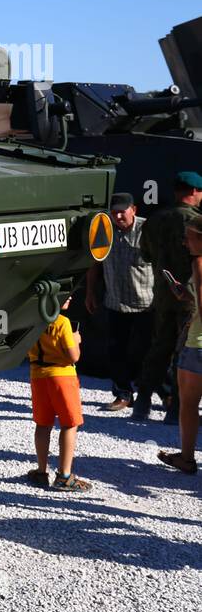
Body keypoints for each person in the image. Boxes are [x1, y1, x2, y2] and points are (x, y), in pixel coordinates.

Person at [137, 172, 202, 423]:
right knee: (185, 352)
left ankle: (142, 402)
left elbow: (146, 256)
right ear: (195, 192)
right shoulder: (197, 223)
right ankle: (176, 410)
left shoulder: (154, 220)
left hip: (163, 295)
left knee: (159, 347)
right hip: (192, 297)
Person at [84, 193, 155, 411]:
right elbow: (94, 262)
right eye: (114, 212)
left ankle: (162, 395)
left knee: (152, 351)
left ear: (134, 209)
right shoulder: (104, 230)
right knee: (116, 352)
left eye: (123, 210)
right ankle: (123, 394)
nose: (118, 215)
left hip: (147, 303)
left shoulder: (148, 230)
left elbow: (163, 262)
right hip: (116, 302)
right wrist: (90, 292)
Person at [26, 296, 91, 491]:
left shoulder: (30, 320)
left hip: (38, 376)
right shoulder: (62, 322)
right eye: (65, 293)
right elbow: (74, 356)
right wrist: (76, 340)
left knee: (43, 424)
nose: (70, 296)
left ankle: (41, 471)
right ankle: (64, 476)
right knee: (69, 424)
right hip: (62, 377)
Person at [158, 221, 202, 474]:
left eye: (189, 238)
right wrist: (185, 294)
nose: (185, 243)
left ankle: (187, 457)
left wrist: (191, 323)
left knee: (188, 403)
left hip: (197, 345)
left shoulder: (198, 263)